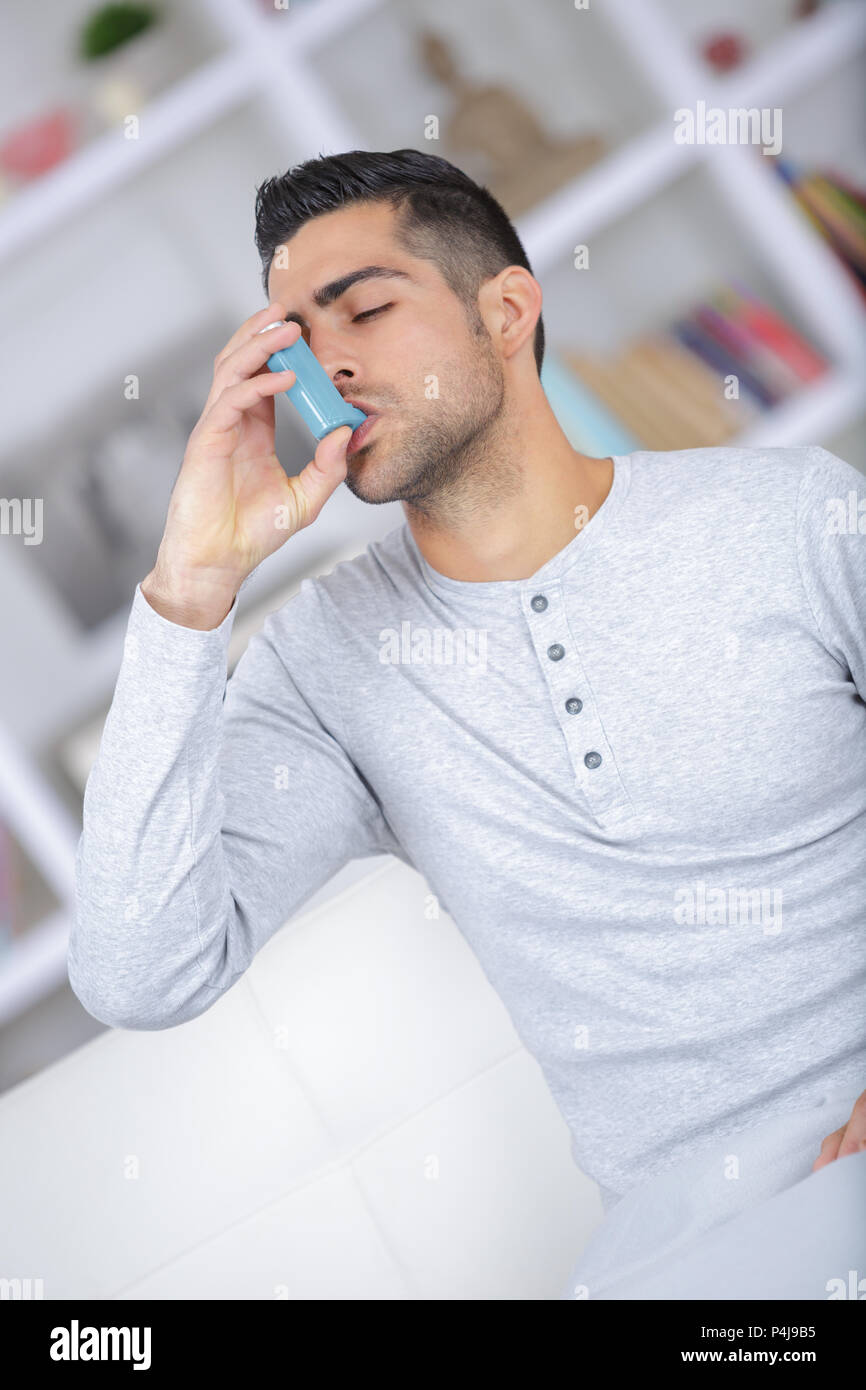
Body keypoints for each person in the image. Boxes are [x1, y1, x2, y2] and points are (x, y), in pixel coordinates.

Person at [68, 149, 866, 1298]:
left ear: (503, 311)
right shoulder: (324, 660)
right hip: (696, 1261)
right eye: (293, 338)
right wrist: (189, 591)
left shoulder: (788, 515)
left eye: (366, 311)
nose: (325, 365)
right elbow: (141, 973)